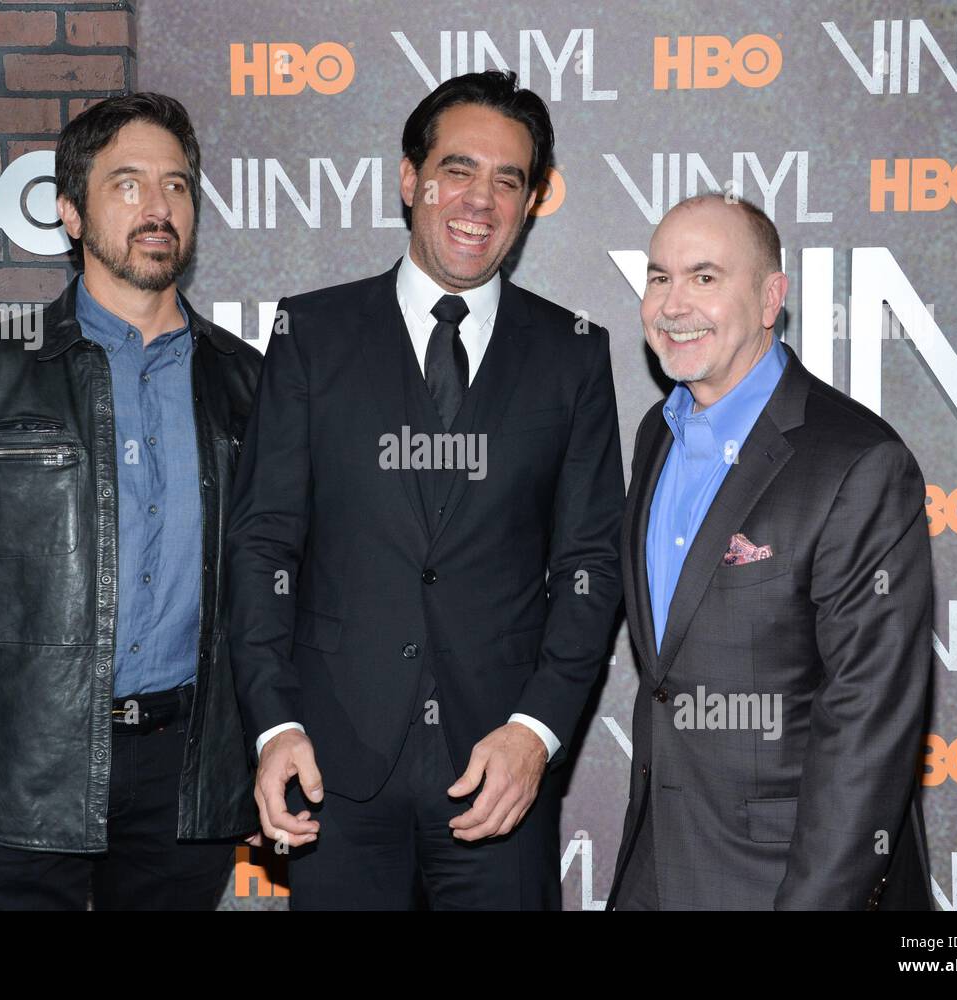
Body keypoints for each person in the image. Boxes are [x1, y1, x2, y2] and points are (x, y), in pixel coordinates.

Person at [227, 70, 624, 909]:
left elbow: (590, 563)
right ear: (411, 180)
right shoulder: (312, 334)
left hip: (498, 771)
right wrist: (274, 723)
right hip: (332, 762)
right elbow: (264, 543)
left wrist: (537, 732)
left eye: (507, 180)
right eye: (458, 169)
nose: (479, 200)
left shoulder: (573, 353)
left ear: (530, 202)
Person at [0, 93, 261, 910]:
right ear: (69, 214)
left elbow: (284, 586)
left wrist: (266, 750)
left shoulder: (247, 382)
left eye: (178, 185)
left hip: (186, 777)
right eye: (127, 184)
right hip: (21, 769)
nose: (158, 207)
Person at [607, 192, 933, 910]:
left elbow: (868, 724)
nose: (673, 303)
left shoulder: (856, 461)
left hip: (782, 878)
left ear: (770, 299)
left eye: (705, 277)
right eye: (659, 277)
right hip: (656, 863)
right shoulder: (653, 437)